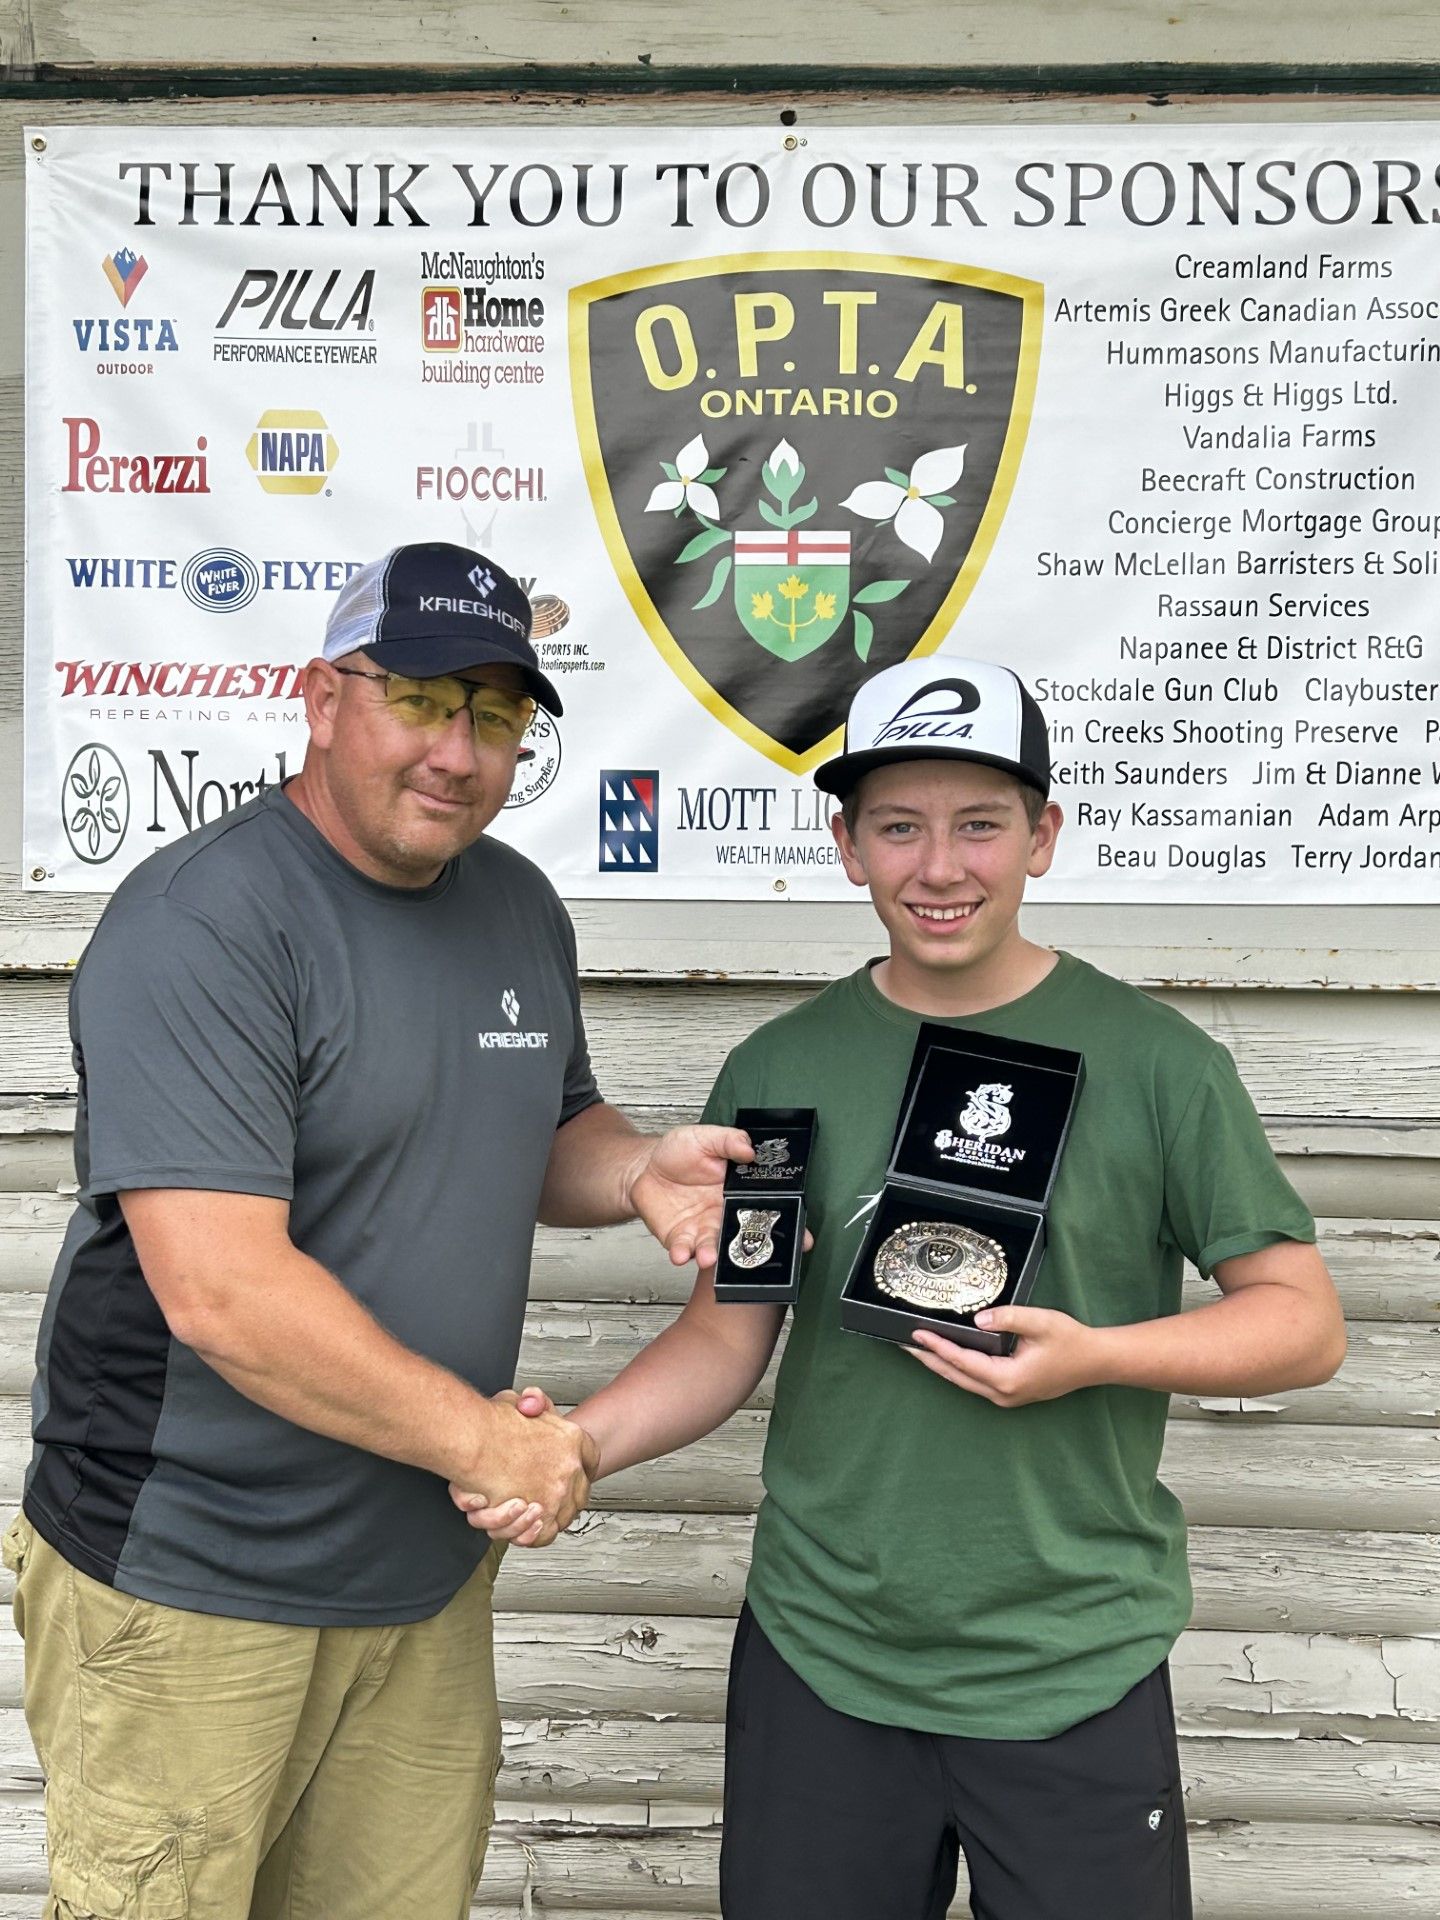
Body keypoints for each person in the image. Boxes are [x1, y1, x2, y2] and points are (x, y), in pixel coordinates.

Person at [461, 655, 1348, 1920]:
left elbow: (1304, 1322)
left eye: (980, 824)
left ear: (1042, 838)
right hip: (825, 1658)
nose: (940, 867)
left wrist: (1098, 1356)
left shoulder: (1162, 1066)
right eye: (899, 826)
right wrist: (582, 1446)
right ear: (847, 846)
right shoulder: (783, 1066)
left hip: (1071, 1660)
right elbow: (727, 1331)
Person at [6, 540, 744, 1920]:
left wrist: (640, 1165)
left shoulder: (517, 906)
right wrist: (498, 1447)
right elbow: (222, 1291)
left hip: (415, 1573)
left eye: (497, 714)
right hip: (192, 1578)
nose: (458, 752)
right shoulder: (205, 923)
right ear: (322, 698)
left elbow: (546, 1123)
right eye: (418, 699)